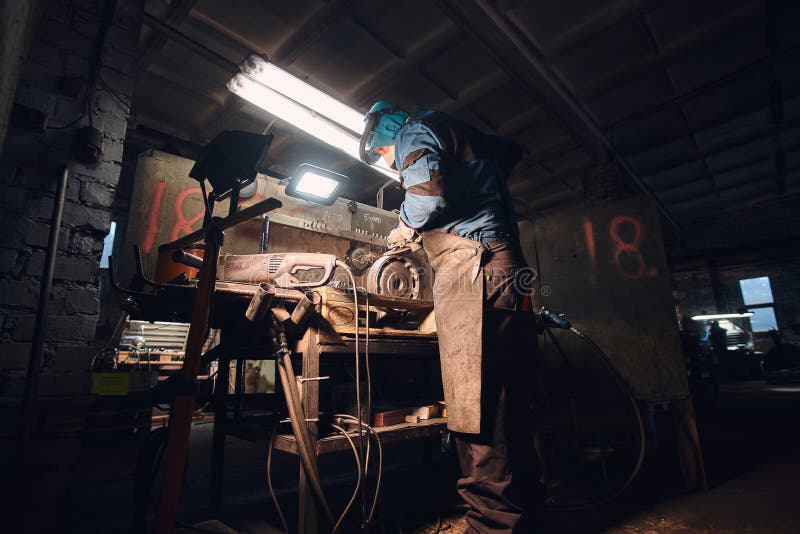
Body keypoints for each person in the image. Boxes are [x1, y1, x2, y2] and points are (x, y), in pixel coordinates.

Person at [360, 101, 542, 532]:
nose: (394, 167)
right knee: (513, 405)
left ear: (382, 135)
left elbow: (426, 196)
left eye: (387, 159)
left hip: (474, 271)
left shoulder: (413, 131)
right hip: (508, 269)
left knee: (475, 409)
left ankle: (491, 526)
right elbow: (508, 151)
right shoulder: (466, 136)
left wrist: (405, 224)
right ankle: (531, 516)